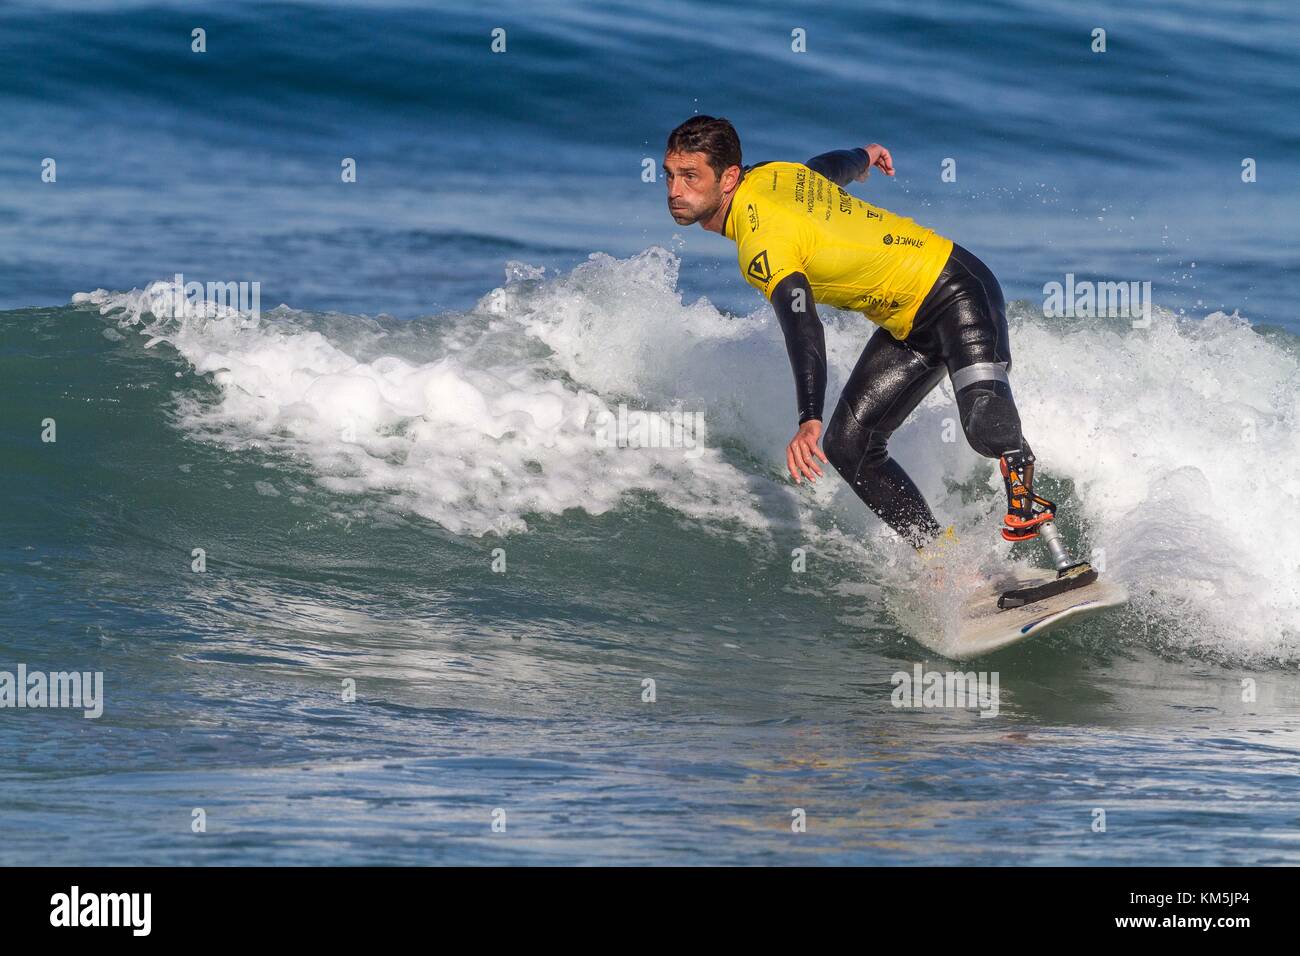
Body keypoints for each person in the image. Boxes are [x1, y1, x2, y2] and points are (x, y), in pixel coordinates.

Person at [663, 115, 1056, 555]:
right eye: (671, 175)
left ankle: (1038, 522)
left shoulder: (761, 243)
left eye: (690, 176)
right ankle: (943, 557)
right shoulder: (771, 174)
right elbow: (823, 170)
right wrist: (864, 156)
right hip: (910, 323)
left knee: (983, 424)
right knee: (849, 446)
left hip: (958, 290)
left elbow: (801, 321)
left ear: (729, 177)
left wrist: (808, 417)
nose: (675, 191)